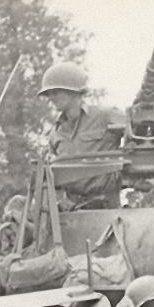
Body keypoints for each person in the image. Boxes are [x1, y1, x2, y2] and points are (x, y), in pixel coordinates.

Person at [38, 61, 120, 207]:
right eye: (49, 94)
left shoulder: (105, 116)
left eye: (55, 92)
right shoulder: (56, 133)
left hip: (106, 207)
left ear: (73, 91)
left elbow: (138, 127)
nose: (51, 97)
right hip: (72, 210)